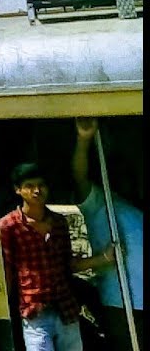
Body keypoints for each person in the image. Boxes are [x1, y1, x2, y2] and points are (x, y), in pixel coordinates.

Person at [0, 162, 116, 351]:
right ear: (18, 190)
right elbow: (7, 271)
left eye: (41, 185)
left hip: (66, 309)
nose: (37, 190)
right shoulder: (8, 226)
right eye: (29, 186)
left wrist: (104, 258)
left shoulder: (58, 222)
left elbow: (69, 264)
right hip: (35, 313)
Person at [72, 119, 144, 350]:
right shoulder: (99, 202)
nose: (127, 178)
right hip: (121, 301)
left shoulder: (137, 208)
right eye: (122, 173)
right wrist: (84, 140)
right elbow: (78, 176)